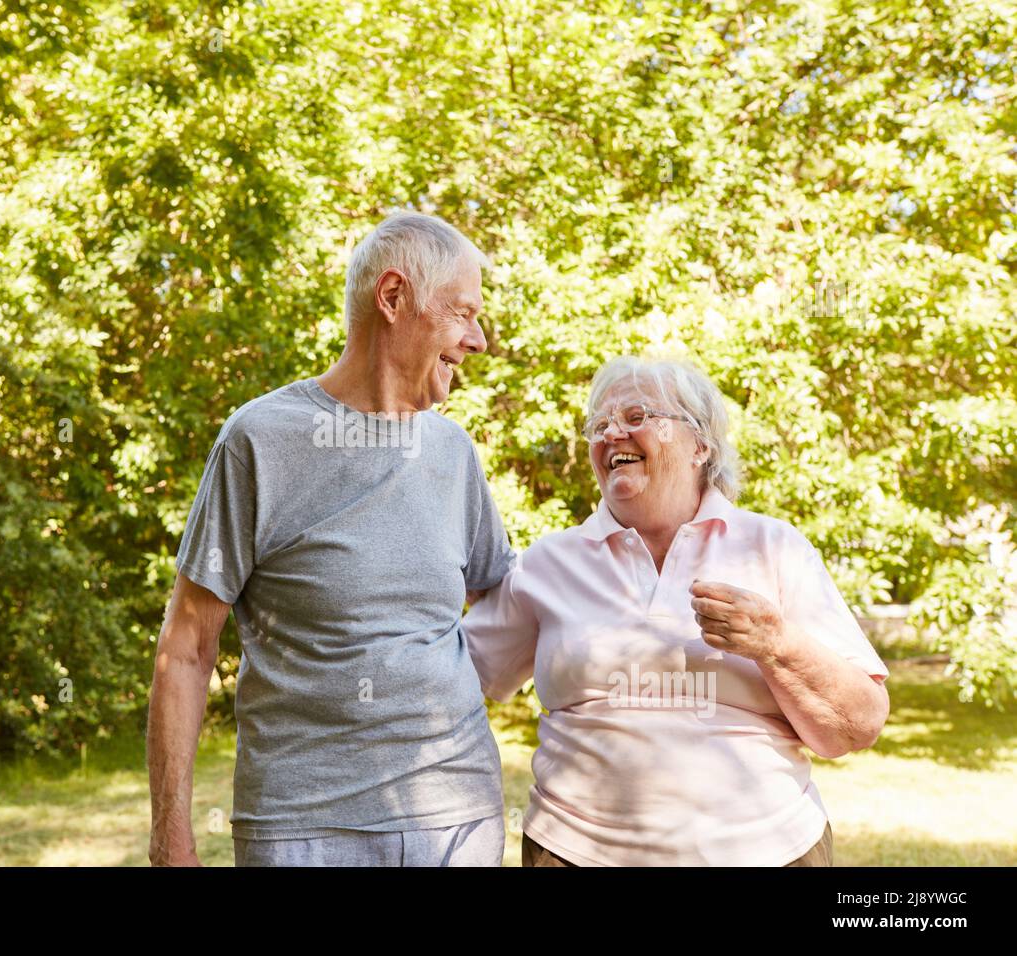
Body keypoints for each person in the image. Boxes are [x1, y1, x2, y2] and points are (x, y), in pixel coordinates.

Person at [147, 212, 516, 867]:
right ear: (395, 297)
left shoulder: (453, 452)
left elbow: (506, 599)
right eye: (463, 313)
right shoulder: (259, 441)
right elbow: (187, 645)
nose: (478, 340)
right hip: (301, 828)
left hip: (458, 819)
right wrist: (171, 839)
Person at [463, 355, 890, 866]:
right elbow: (456, 678)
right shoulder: (548, 563)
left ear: (701, 444)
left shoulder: (774, 547)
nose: (611, 434)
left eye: (638, 417)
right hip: (575, 852)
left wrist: (775, 644)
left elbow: (856, 724)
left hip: (770, 851)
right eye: (599, 425)